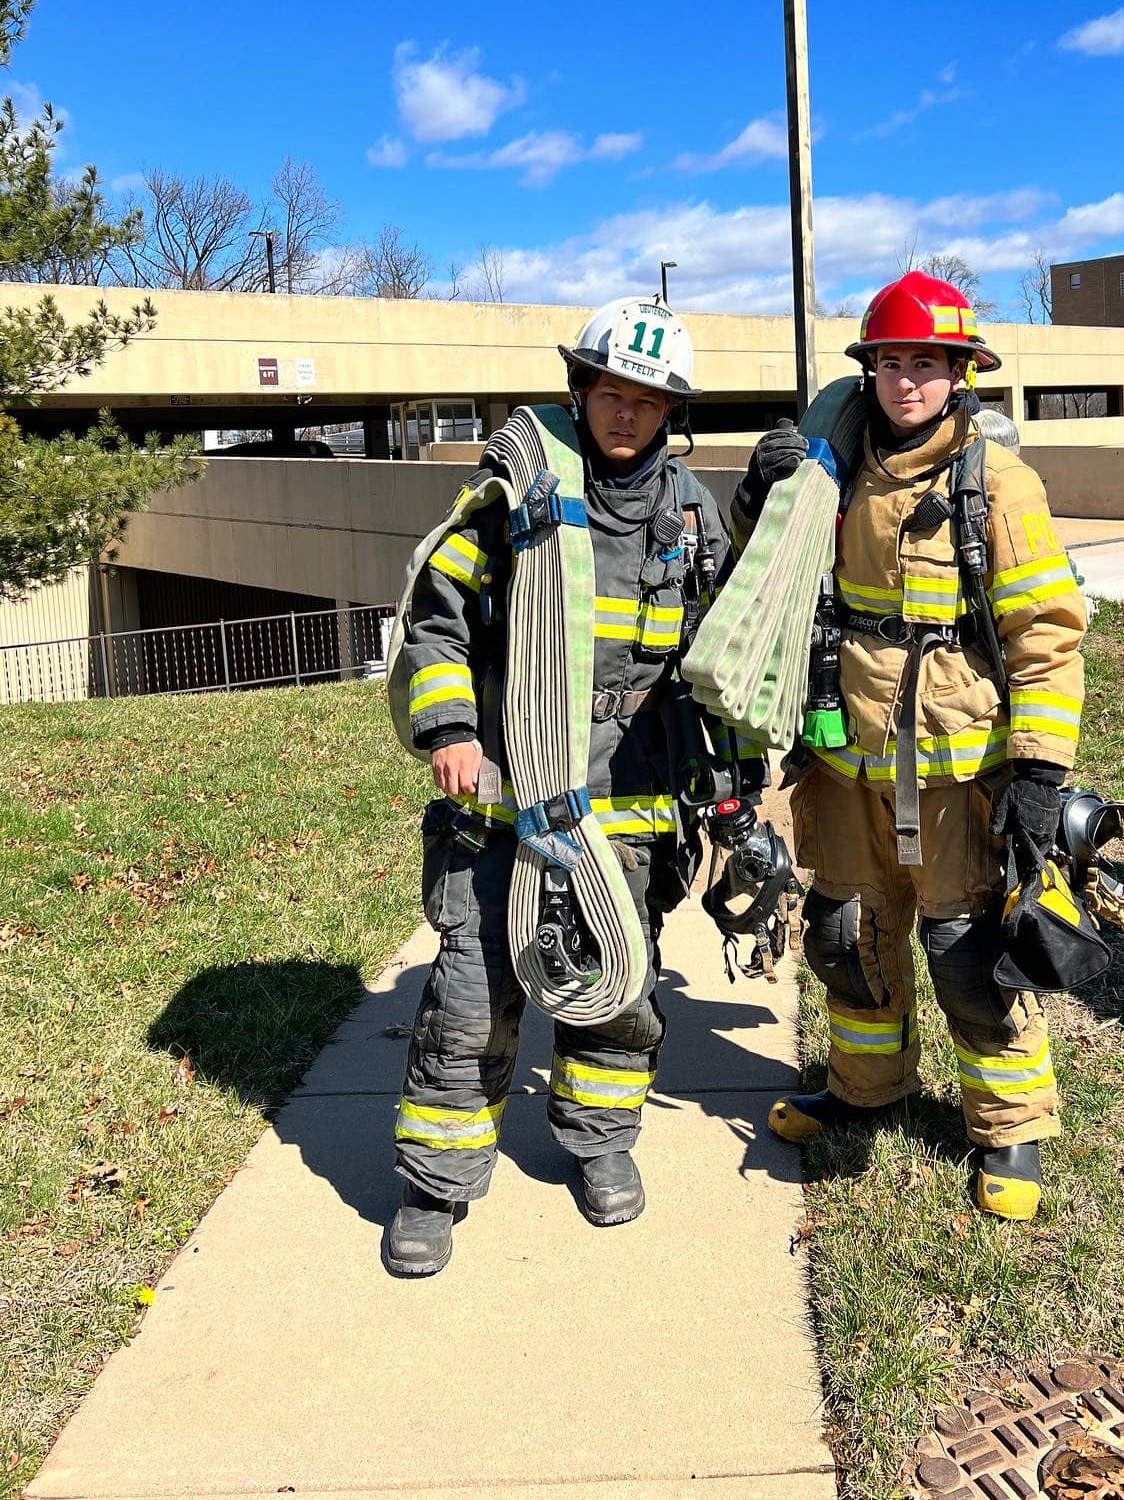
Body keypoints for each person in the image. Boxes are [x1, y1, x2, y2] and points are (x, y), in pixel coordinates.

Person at [384, 296, 739, 1277]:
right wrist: (450, 728)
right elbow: (437, 620)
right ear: (581, 391)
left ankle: (599, 1146)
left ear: (672, 413)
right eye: (610, 393)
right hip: (502, 798)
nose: (626, 415)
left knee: (616, 989)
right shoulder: (514, 495)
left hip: (628, 804)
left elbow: (731, 638)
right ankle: (435, 1185)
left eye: (648, 401)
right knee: (471, 995)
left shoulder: (693, 511)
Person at [737, 271, 1087, 1222]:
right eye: (889, 363)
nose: (904, 384)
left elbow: (1046, 635)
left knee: (967, 952)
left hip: (958, 771)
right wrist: (759, 492)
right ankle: (863, 1091)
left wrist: (1042, 771)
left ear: (961, 371)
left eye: (925, 364)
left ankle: (1008, 1127)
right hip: (845, 760)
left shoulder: (999, 486)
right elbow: (758, 572)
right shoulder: (831, 470)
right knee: (848, 937)